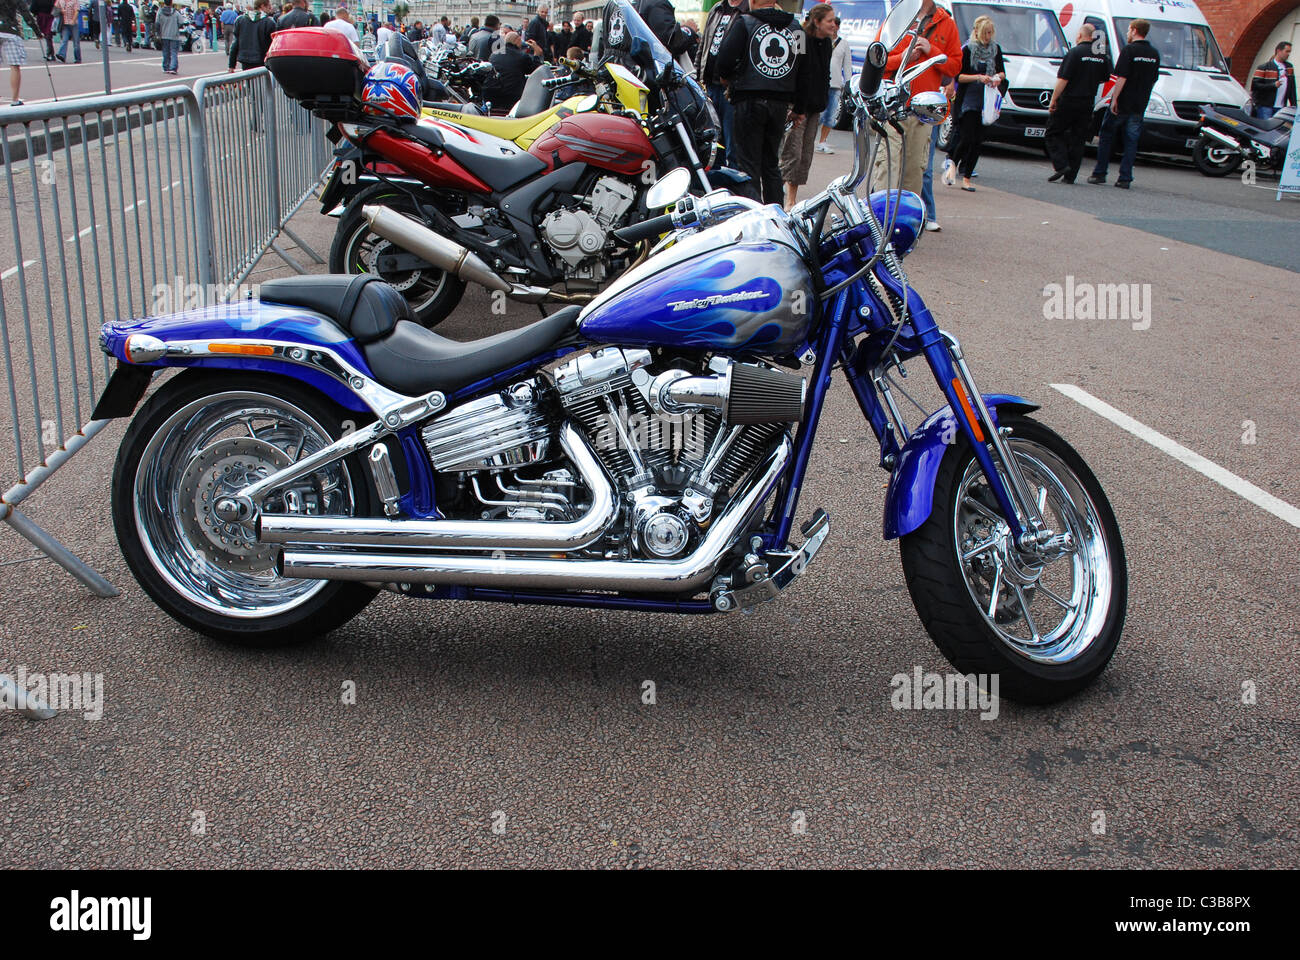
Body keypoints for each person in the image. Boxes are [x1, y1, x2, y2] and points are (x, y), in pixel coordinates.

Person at [715, 0, 805, 204]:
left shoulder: (744, 23)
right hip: (779, 103)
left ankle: (753, 213)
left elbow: (724, 60)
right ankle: (777, 212)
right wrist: (799, 107)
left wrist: (728, 78)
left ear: (753, 1)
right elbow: (804, 69)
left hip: (748, 99)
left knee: (748, 164)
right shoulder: (797, 29)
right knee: (771, 163)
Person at [871, 0, 961, 198]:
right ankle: (880, 220)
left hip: (921, 112)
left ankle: (904, 222)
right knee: (888, 166)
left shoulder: (947, 23)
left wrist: (932, 51)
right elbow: (877, 60)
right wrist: (902, 57)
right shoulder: (896, 19)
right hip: (892, 107)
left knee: (913, 174)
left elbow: (955, 67)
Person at [1088, 18, 1159, 189]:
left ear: (1134, 30)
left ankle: (1100, 173)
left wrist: (1115, 99)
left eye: (1129, 30)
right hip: (1139, 104)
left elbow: (1122, 77)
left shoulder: (1129, 50)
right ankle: (1125, 178)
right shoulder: (1154, 53)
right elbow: (1153, 79)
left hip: (1123, 102)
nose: (1128, 33)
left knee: (1106, 135)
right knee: (1131, 141)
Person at [779, 3, 835, 209]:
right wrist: (795, 106)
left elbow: (825, 73)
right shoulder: (801, 38)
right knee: (791, 151)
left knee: (805, 154)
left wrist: (824, 99)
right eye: (829, 21)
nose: (834, 25)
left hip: (816, 105)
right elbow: (794, 70)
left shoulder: (827, 43)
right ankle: (787, 199)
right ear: (817, 21)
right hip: (797, 105)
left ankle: (792, 197)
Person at [944, 14, 1004, 192]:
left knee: (978, 141)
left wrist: (997, 78)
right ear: (978, 32)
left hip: (986, 101)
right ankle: (952, 166)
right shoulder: (968, 50)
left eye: (990, 33)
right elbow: (959, 76)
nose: (988, 37)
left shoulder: (996, 49)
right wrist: (978, 77)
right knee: (966, 138)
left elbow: (1002, 72)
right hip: (968, 100)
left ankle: (967, 178)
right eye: (985, 33)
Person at [1045, 22, 1110, 184]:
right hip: (1087, 102)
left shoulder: (1075, 52)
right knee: (1078, 138)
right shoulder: (1101, 55)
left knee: (1053, 132)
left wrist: (1053, 99)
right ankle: (1070, 175)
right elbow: (1104, 77)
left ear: (1080, 36)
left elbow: (1063, 79)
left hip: (1069, 100)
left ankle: (1061, 165)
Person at [697, 0, 746, 169]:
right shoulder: (717, 8)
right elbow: (704, 43)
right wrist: (698, 73)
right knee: (713, 138)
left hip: (731, 88)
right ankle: (717, 177)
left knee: (733, 141)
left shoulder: (746, 10)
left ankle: (734, 181)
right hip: (710, 84)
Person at [484, 30, 542, 111]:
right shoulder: (522, 56)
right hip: (512, 96)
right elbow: (535, 70)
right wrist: (537, 55)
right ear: (517, 40)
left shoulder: (493, 55)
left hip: (493, 94)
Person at [817, 15, 850, 154]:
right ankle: (809, 139)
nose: (832, 27)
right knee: (816, 114)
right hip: (819, 82)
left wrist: (848, 83)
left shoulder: (843, 44)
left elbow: (847, 65)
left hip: (835, 84)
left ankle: (822, 141)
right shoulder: (820, 40)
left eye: (835, 24)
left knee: (830, 116)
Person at [0, 0, 41, 105]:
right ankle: (15, 99)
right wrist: (37, 32)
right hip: (10, 30)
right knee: (14, 66)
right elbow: (26, 14)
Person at [1251, 41, 1295, 119]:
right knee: (1265, 127)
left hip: (1281, 108)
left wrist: (1294, 106)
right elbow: (1255, 85)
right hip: (1265, 106)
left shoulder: (1289, 67)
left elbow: (1292, 88)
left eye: (1290, 52)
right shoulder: (1264, 67)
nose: (1288, 54)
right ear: (1278, 51)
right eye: (1287, 51)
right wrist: (1273, 85)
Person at [228, 0, 276, 71]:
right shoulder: (269, 22)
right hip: (262, 60)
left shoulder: (240, 20)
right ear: (262, 6)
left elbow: (235, 44)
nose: (270, 7)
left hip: (245, 59)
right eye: (269, 5)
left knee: (249, 79)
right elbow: (272, 45)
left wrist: (231, 65)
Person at [156, 0, 180, 73]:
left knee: (165, 52)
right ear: (171, 2)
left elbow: (157, 23)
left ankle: (166, 67)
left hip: (164, 34)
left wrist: (158, 33)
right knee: (174, 52)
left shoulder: (160, 12)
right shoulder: (175, 12)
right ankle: (173, 68)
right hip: (174, 35)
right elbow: (181, 22)